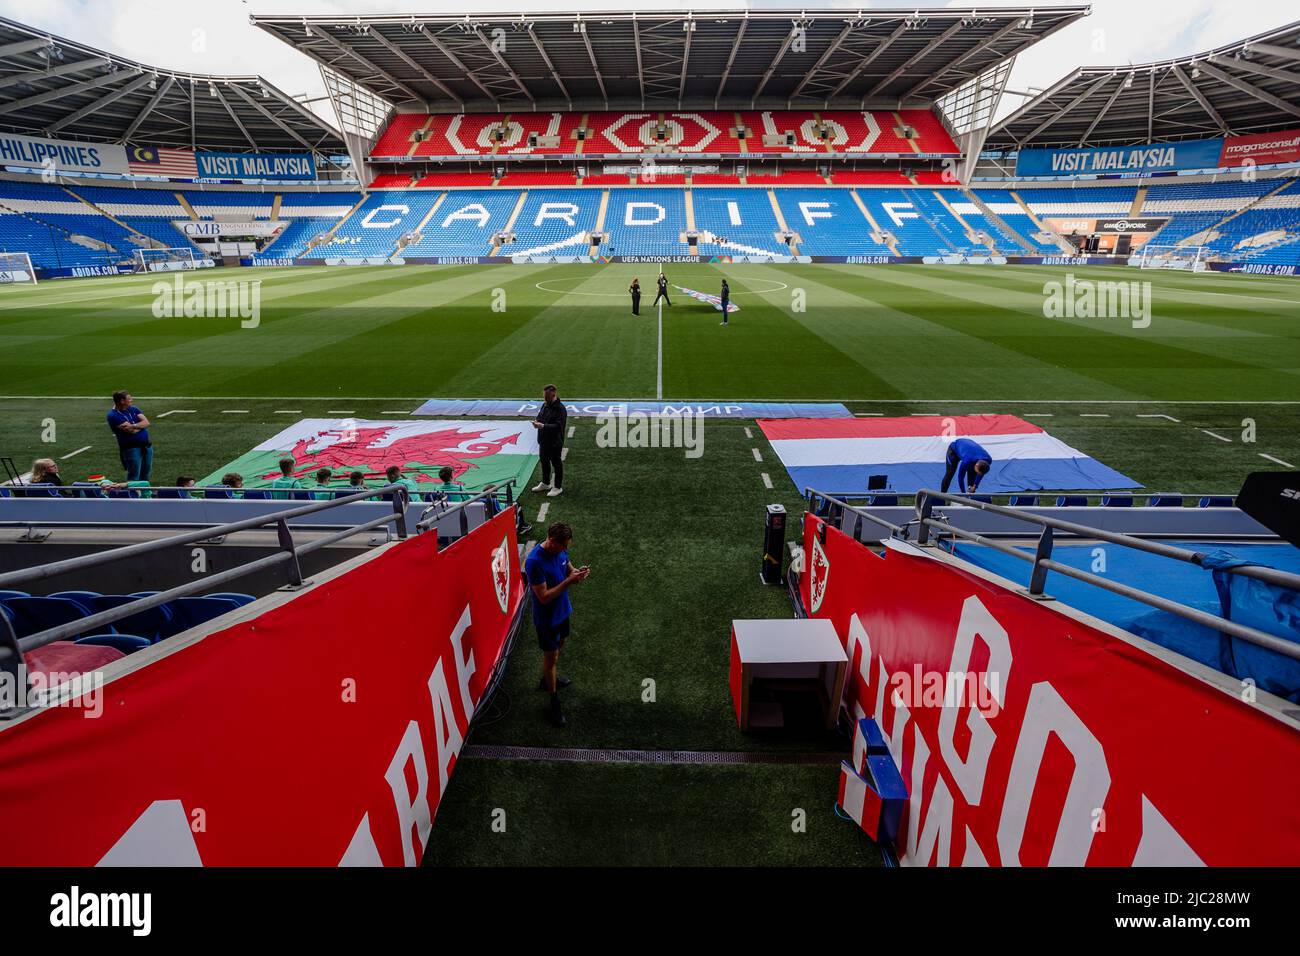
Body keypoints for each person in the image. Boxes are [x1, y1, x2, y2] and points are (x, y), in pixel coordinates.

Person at [525, 521, 589, 727]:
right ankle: (553, 700)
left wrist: (577, 574)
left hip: (563, 611)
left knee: (561, 643)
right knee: (551, 656)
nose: (566, 550)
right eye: (564, 546)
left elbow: (569, 568)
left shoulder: (560, 551)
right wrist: (569, 581)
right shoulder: (535, 562)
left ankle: (547, 679)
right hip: (546, 618)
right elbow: (543, 597)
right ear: (552, 541)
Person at [106, 390, 152, 483]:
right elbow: (131, 431)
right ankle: (133, 496)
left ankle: (145, 495)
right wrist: (140, 426)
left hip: (146, 445)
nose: (132, 400)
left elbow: (146, 422)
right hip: (131, 448)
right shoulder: (113, 415)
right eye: (129, 398)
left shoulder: (133, 408)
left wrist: (132, 425)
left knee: (146, 473)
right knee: (134, 475)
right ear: (122, 401)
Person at [530, 384, 567, 498]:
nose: (545, 400)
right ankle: (546, 483)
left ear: (553, 395)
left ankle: (557, 487)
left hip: (554, 442)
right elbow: (540, 416)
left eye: (547, 397)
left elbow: (558, 426)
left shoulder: (560, 409)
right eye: (544, 397)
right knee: (544, 461)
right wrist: (537, 421)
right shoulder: (545, 405)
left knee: (556, 463)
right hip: (543, 440)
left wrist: (543, 426)